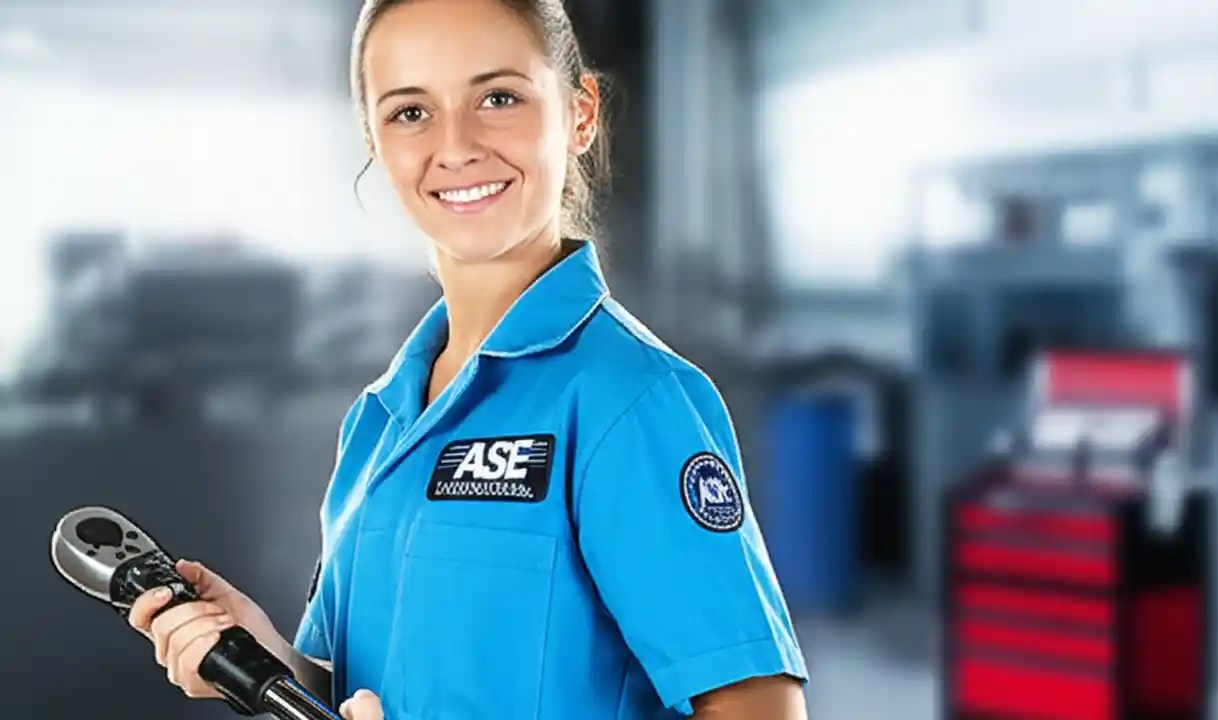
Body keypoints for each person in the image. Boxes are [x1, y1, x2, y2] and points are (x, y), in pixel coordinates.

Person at [128, 0, 809, 717]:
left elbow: (757, 705)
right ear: (375, 140)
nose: (456, 146)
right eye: (411, 112)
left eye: (499, 97)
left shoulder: (629, 398)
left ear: (580, 114)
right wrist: (272, 661)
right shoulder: (379, 420)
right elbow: (376, 684)